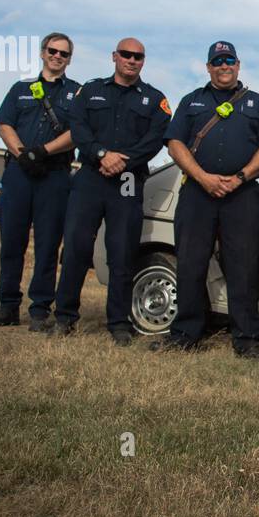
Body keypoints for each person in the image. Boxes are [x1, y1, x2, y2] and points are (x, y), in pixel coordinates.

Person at [154, 41, 259, 356]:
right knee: (190, 263)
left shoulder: (257, 103)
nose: (224, 66)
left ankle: (247, 339)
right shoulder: (191, 102)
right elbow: (174, 143)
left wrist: (240, 177)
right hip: (198, 193)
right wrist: (203, 178)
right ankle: (186, 333)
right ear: (208, 67)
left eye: (229, 61)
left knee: (243, 266)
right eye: (217, 61)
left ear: (238, 65)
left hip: (243, 195)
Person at [50, 38, 170, 345]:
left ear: (143, 61)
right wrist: (102, 154)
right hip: (91, 176)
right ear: (114, 57)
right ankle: (64, 317)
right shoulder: (90, 91)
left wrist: (121, 161)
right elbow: (78, 127)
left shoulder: (154, 99)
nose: (132, 60)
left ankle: (118, 322)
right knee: (76, 247)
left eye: (138, 56)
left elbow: (155, 139)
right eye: (126, 55)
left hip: (128, 180)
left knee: (122, 251)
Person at [0, 32, 81, 330]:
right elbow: (5, 124)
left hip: (54, 174)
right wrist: (24, 154)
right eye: (53, 51)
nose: (57, 56)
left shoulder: (77, 94)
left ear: (69, 59)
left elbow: (78, 132)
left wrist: (43, 152)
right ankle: (8, 306)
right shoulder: (21, 89)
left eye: (63, 54)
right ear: (42, 52)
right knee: (11, 241)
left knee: (48, 244)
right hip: (19, 173)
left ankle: (39, 310)